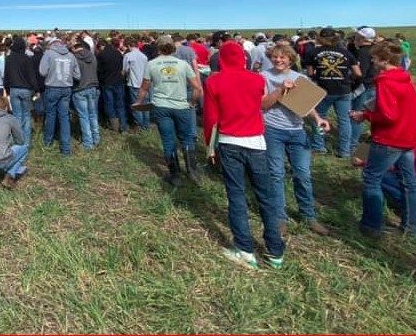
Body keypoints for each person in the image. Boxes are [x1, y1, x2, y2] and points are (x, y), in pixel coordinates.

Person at [203, 42, 285, 269]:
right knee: (265, 196)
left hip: (229, 142)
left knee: (236, 195)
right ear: (243, 58)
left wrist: (210, 147)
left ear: (221, 59)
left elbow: (210, 118)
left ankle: (245, 250)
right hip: (256, 142)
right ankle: (275, 250)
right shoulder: (257, 79)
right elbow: (259, 104)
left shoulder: (213, 81)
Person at [350, 41, 416, 239]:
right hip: (407, 138)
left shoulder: (385, 81)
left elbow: (388, 115)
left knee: (372, 179)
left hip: (389, 139)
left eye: (374, 58)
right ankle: (414, 228)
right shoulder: (405, 78)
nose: (372, 62)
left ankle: (371, 226)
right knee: (409, 182)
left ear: (383, 60)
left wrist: (365, 115)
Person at [260, 44, 330, 236]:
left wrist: (318, 119)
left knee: (303, 173)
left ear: (291, 59)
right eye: (275, 57)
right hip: (273, 130)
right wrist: (281, 90)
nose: (278, 60)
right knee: (276, 174)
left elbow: (307, 106)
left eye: (282, 57)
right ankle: (279, 218)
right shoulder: (264, 77)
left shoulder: (300, 78)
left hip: (297, 131)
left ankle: (308, 216)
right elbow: (263, 104)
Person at [138, 35, 202, 185]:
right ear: (173, 48)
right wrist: (192, 103)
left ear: (158, 48)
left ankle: (175, 175)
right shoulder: (183, 64)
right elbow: (197, 88)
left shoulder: (152, 64)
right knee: (186, 138)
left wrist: (138, 102)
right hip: (181, 107)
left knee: (168, 140)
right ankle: (192, 171)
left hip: (161, 107)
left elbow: (144, 88)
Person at [304, 26, 361, 158]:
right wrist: (348, 79)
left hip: (323, 90)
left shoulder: (313, 52)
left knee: (319, 118)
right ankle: (344, 150)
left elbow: (310, 73)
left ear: (320, 38)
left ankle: (319, 146)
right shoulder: (346, 52)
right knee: (344, 120)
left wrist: (319, 77)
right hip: (344, 90)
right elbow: (358, 73)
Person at [39, 36, 80, 156]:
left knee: (50, 115)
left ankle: (48, 142)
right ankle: (66, 148)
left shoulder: (48, 54)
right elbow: (78, 75)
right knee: (64, 117)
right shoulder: (71, 55)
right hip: (66, 88)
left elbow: (42, 72)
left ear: (51, 44)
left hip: (52, 87)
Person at [4, 36, 39, 146]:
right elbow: (32, 76)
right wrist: (36, 90)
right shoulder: (27, 59)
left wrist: (7, 90)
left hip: (14, 89)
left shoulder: (9, 59)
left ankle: (18, 141)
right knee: (27, 116)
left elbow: (6, 76)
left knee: (17, 116)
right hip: (26, 90)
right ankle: (26, 143)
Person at [349, 27, 378, 156]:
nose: (355, 38)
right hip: (373, 85)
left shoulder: (363, 52)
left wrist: (352, 85)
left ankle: (352, 145)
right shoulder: (375, 49)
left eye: (357, 36)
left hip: (364, 86)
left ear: (363, 38)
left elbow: (361, 73)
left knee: (357, 115)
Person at [72, 39, 101, 150]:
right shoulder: (92, 56)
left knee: (84, 116)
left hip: (80, 88)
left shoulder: (74, 58)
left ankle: (88, 143)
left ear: (74, 48)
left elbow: (75, 75)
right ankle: (96, 138)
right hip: (93, 86)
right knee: (93, 114)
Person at [97, 38, 127, 133]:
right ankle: (123, 126)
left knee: (109, 104)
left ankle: (114, 126)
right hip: (119, 82)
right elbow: (122, 67)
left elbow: (99, 70)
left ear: (102, 46)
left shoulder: (101, 55)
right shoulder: (118, 53)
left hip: (107, 83)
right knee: (120, 104)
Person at [123, 36, 150, 130]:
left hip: (134, 83)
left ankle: (139, 125)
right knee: (145, 105)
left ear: (129, 45)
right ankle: (146, 125)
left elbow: (125, 70)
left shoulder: (128, 56)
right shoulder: (144, 56)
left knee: (136, 105)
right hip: (144, 83)